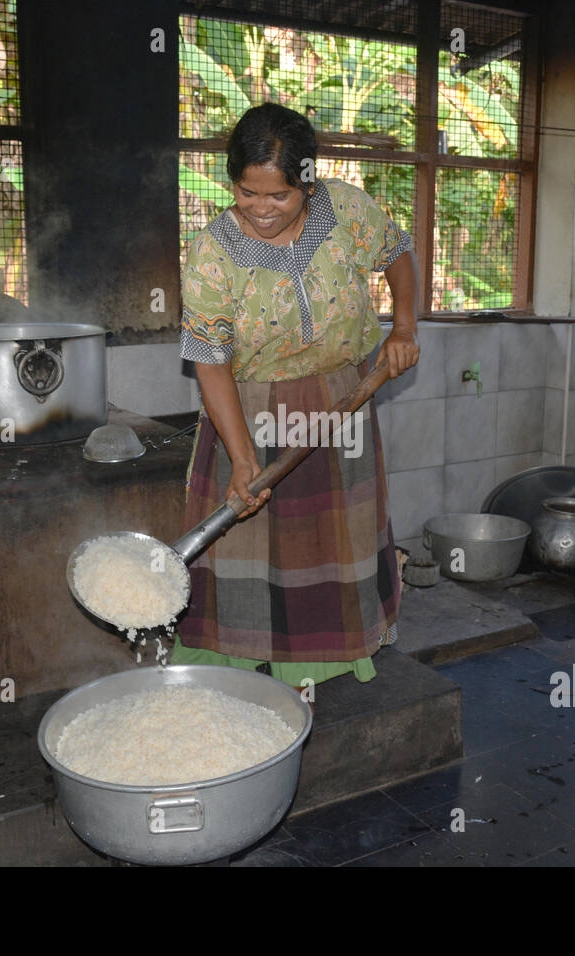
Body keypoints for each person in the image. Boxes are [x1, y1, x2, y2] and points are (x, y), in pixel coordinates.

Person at [172, 102, 419, 689]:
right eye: (246, 192)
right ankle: (233, 664)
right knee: (245, 551)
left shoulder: (347, 210)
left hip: (342, 403)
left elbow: (398, 254)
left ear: (307, 181)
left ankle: (327, 661)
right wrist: (241, 457)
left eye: (277, 196)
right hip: (249, 411)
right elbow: (210, 361)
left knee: (333, 543)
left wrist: (404, 326)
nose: (260, 209)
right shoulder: (212, 253)